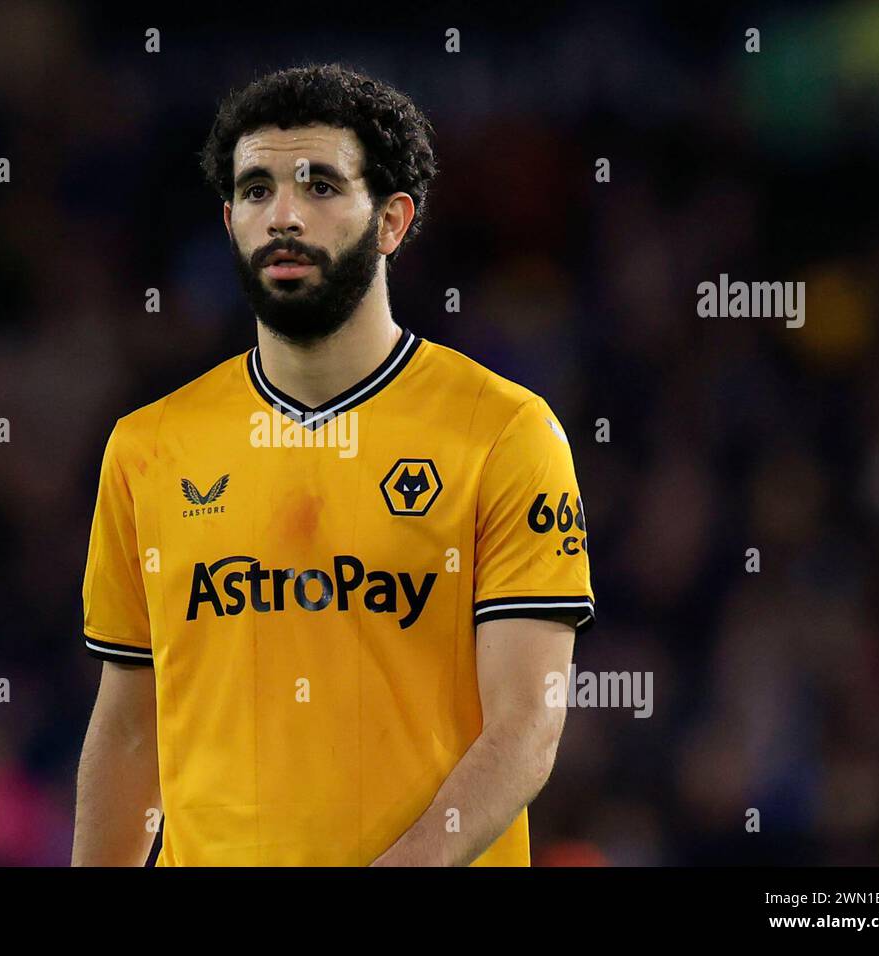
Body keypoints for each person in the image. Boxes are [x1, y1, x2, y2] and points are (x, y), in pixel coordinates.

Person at [72, 63, 594, 866]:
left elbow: (528, 725)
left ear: (391, 221)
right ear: (229, 219)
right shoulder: (148, 446)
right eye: (256, 190)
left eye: (319, 186)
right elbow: (128, 729)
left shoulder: (506, 433)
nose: (283, 215)